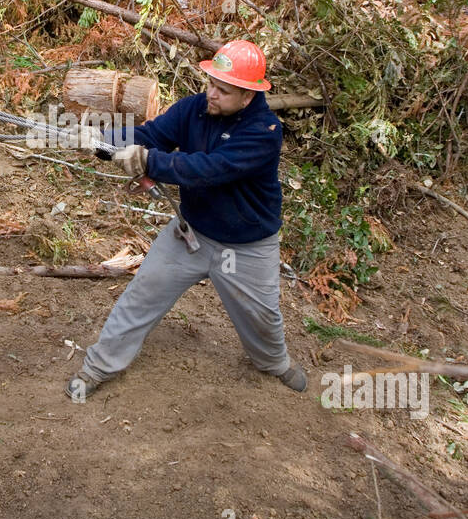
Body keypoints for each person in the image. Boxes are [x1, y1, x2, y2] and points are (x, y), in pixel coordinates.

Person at [65, 40, 307, 402]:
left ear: (247, 96)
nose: (211, 94)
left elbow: (208, 170)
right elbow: (151, 135)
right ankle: (98, 367)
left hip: (245, 247)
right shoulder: (195, 108)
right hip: (191, 233)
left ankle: (274, 362)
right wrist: (102, 139)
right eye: (211, 83)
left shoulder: (263, 133)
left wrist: (150, 162)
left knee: (262, 316)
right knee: (142, 294)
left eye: (223, 90)